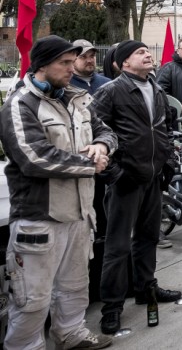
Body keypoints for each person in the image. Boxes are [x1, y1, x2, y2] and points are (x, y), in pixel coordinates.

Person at [1, 36, 117, 350]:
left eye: (72, 62)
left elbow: (105, 129)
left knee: (75, 285)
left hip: (80, 214)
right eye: (64, 63)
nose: (72, 69)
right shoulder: (20, 103)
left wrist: (101, 146)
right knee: (32, 297)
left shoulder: (77, 99)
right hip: (39, 219)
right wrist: (90, 164)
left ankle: (71, 334)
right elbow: (34, 158)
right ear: (42, 65)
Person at [91, 40, 182, 334]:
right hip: (125, 181)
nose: (148, 56)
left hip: (152, 177)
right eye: (140, 53)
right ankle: (112, 306)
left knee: (147, 238)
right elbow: (94, 132)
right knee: (117, 247)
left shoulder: (155, 88)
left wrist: (166, 161)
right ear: (124, 62)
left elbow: (164, 127)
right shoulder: (110, 91)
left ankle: (146, 288)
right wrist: (115, 174)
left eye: (147, 51)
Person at [156, 36, 182, 108]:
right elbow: (161, 92)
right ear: (178, 51)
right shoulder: (168, 68)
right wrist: (177, 106)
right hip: (178, 114)